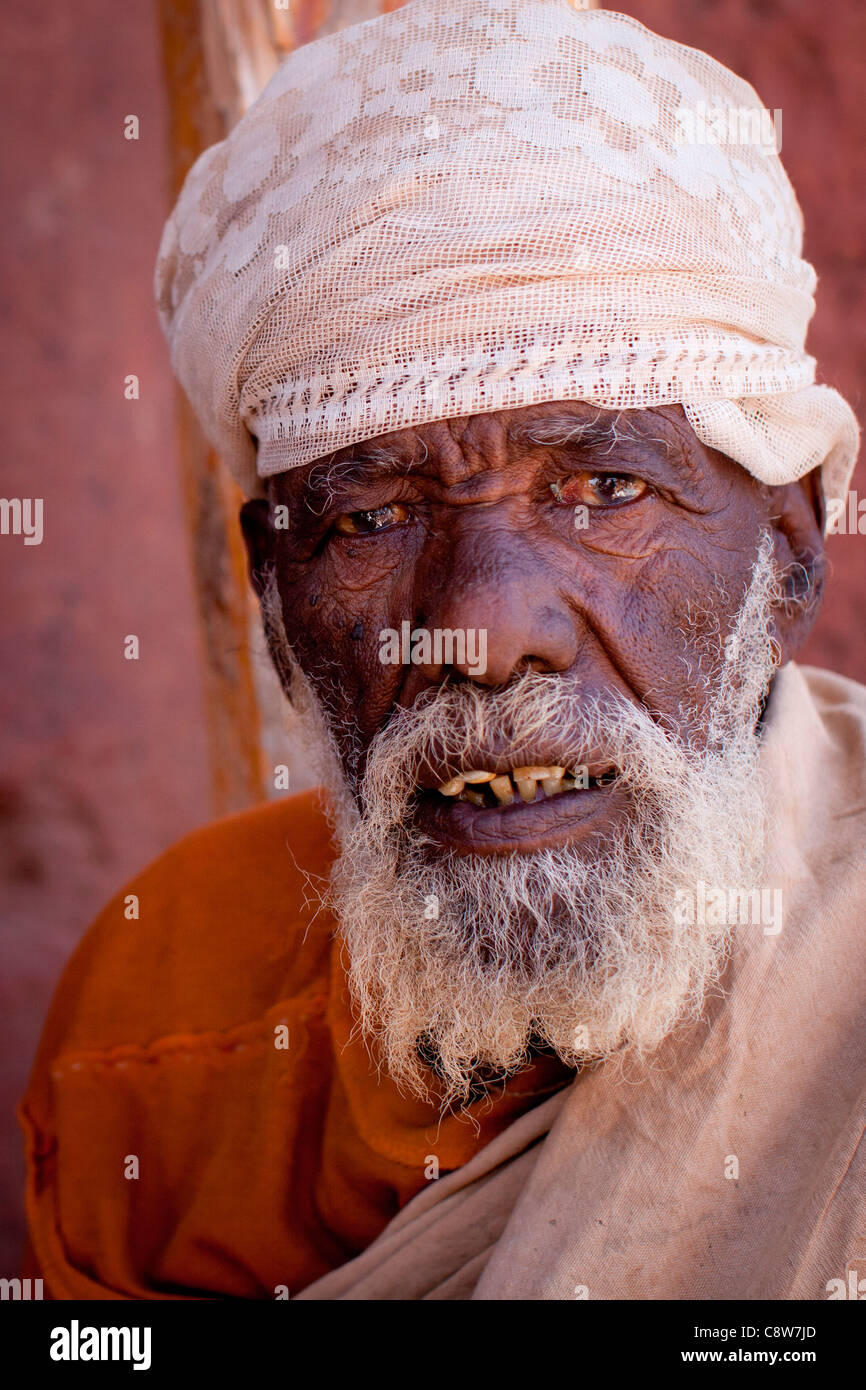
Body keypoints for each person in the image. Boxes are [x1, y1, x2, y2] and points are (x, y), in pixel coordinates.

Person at [19, 0, 864, 1300]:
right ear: (275, 595)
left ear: (788, 542)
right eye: (370, 518)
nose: (477, 627)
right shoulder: (162, 1023)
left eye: (600, 490)